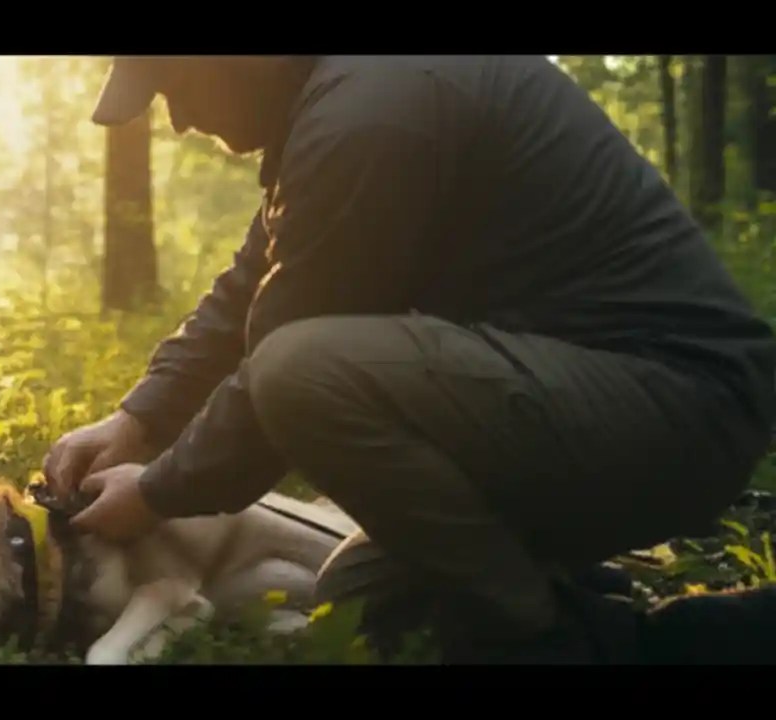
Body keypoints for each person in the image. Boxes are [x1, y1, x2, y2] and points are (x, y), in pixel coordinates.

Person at [41, 55, 776, 663]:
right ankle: (642, 630)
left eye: (177, 85)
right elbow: (249, 289)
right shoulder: (336, 103)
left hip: (678, 409)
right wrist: (136, 421)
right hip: (585, 407)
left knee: (300, 371)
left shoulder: (374, 110)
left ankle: (545, 642)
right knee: (366, 613)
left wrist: (159, 493)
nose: (179, 120)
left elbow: (281, 359)